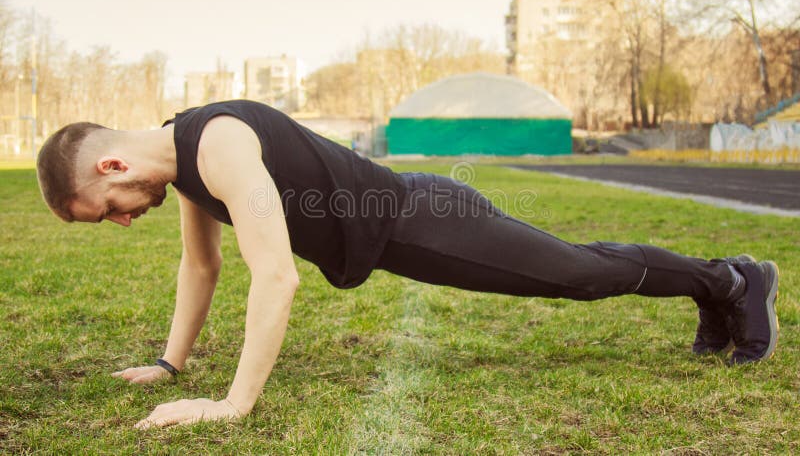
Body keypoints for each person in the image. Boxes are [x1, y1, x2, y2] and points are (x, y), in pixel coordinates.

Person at [35, 99, 779, 429]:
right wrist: (170, 366)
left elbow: (276, 274)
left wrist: (234, 404)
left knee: (578, 274)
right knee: (579, 271)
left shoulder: (217, 144)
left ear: (110, 165)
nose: (126, 220)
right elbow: (202, 269)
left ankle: (732, 280)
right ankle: (721, 284)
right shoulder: (187, 163)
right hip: (403, 227)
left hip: (419, 222)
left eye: (109, 208)